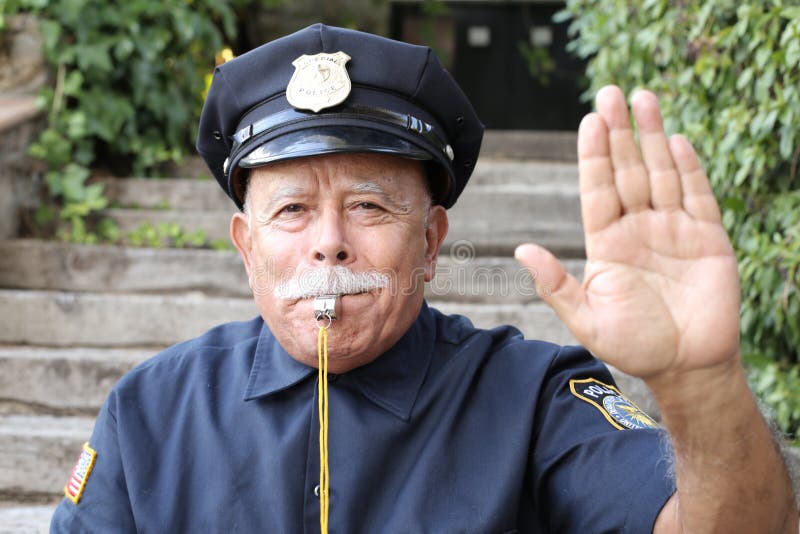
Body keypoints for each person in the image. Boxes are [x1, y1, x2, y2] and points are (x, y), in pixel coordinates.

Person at [51, 23, 798, 533]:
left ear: (432, 241)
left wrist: (700, 384)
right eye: (292, 210)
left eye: (369, 206)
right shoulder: (149, 413)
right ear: (247, 246)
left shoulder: (532, 400)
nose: (330, 245)